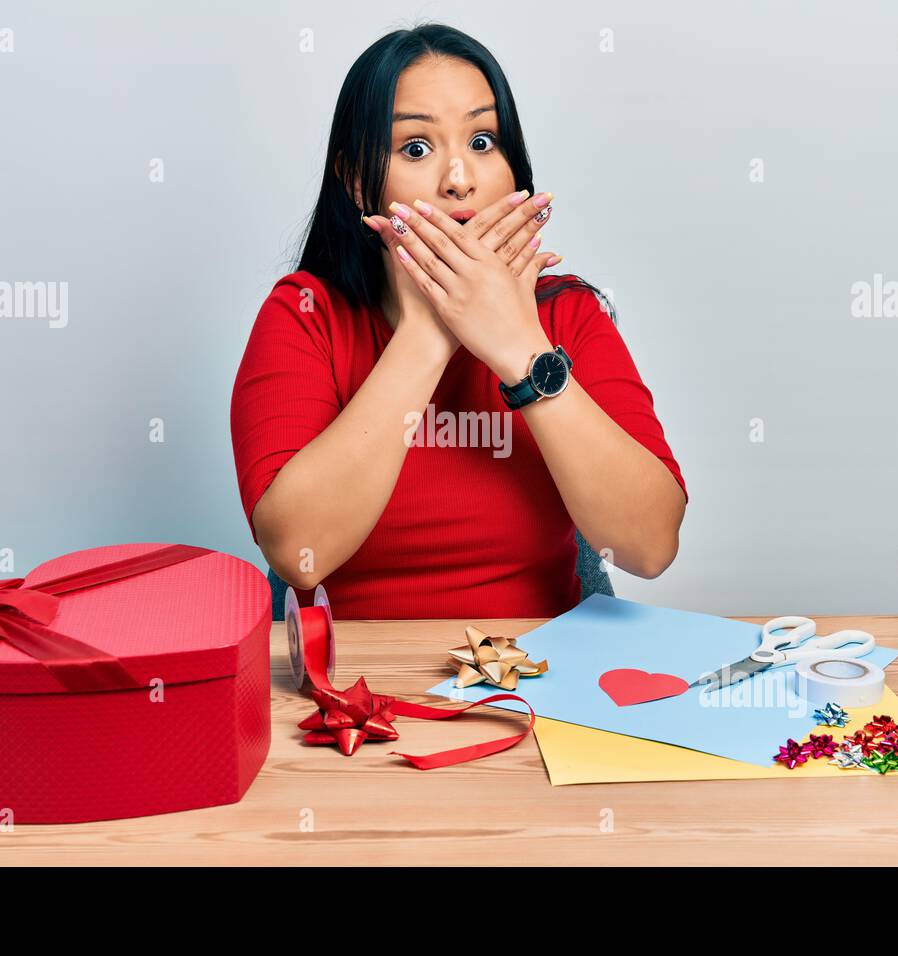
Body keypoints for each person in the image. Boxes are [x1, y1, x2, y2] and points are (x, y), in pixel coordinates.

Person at [231, 23, 686, 619]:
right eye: (415, 148)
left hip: (540, 676)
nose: (460, 180)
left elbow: (649, 547)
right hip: (354, 685)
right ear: (353, 178)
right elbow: (298, 553)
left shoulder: (568, 315)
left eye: (483, 141)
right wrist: (430, 331)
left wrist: (519, 346)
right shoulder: (304, 315)